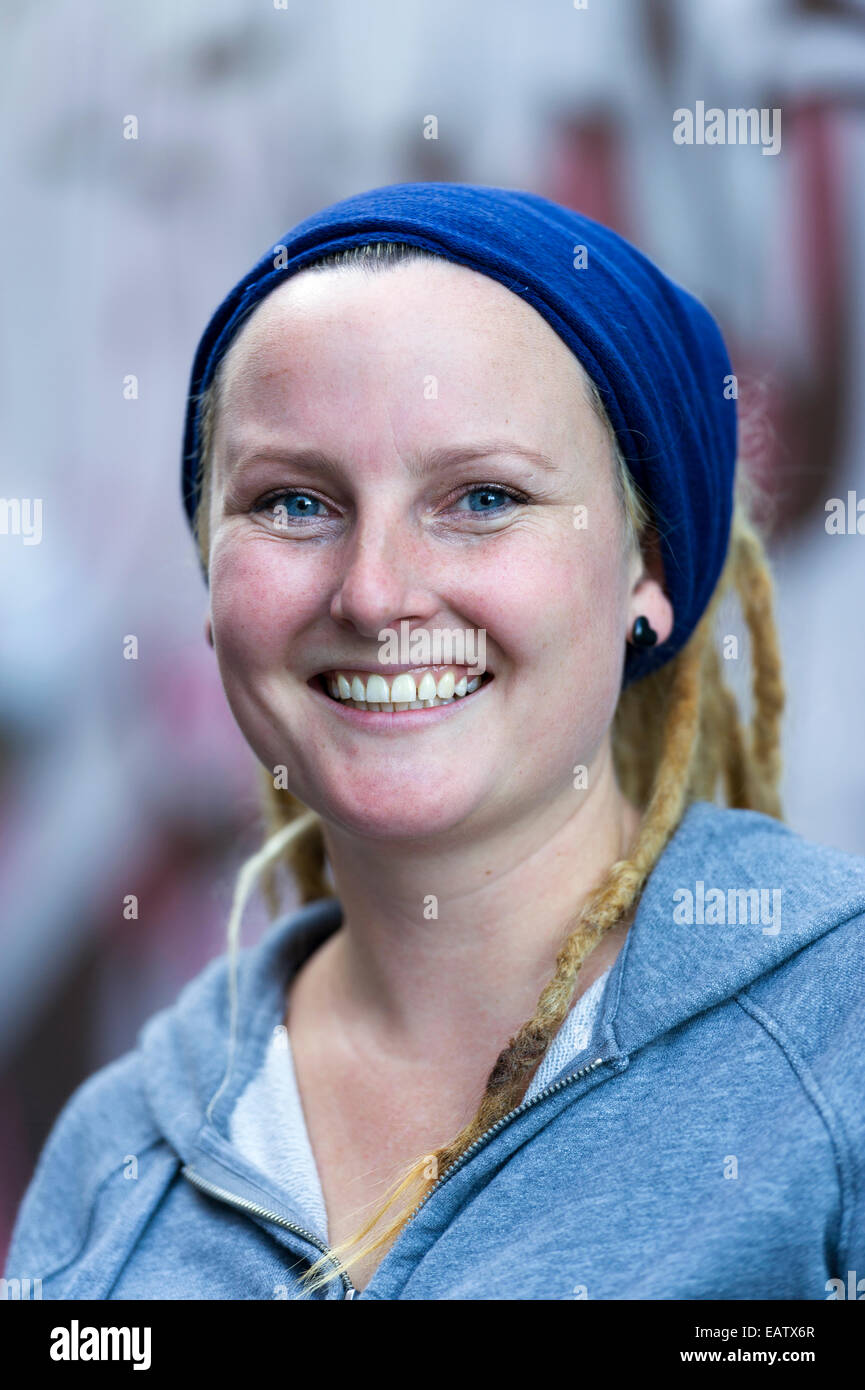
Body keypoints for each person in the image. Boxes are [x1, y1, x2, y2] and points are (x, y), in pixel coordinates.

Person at [6, 183, 865, 1301]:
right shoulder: (111, 1154)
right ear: (210, 583)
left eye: (482, 497)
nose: (373, 594)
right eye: (294, 504)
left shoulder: (839, 1028)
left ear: (645, 570)